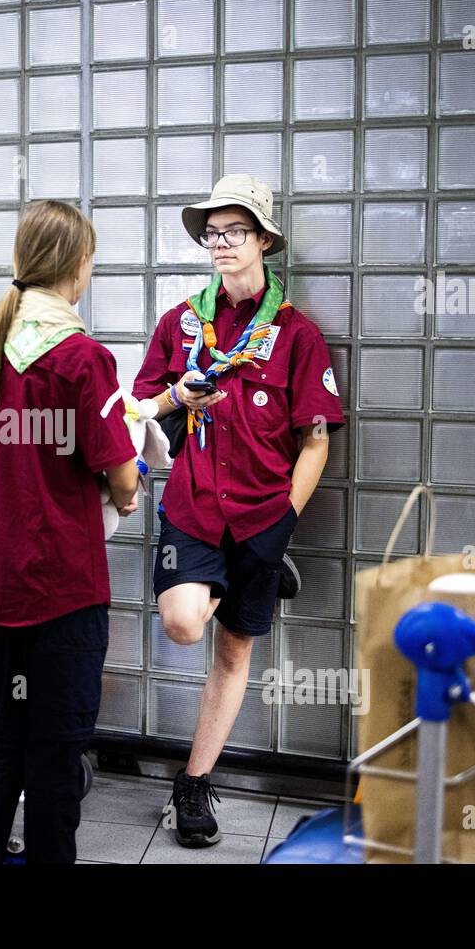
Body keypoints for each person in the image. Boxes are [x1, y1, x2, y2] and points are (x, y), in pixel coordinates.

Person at [130, 174, 344, 847]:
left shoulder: (296, 335)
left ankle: (194, 782)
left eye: (235, 232)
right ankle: (236, 577)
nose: (220, 244)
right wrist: (178, 397)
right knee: (184, 622)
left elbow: (316, 438)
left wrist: (284, 520)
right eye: (212, 233)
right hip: (193, 507)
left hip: (261, 515)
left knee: (233, 653)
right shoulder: (183, 323)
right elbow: (139, 406)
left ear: (264, 241)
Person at [0, 200, 140, 864]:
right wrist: (130, 488)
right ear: (79, 266)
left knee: (8, 735)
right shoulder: (83, 358)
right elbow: (119, 472)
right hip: (60, 589)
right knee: (57, 754)